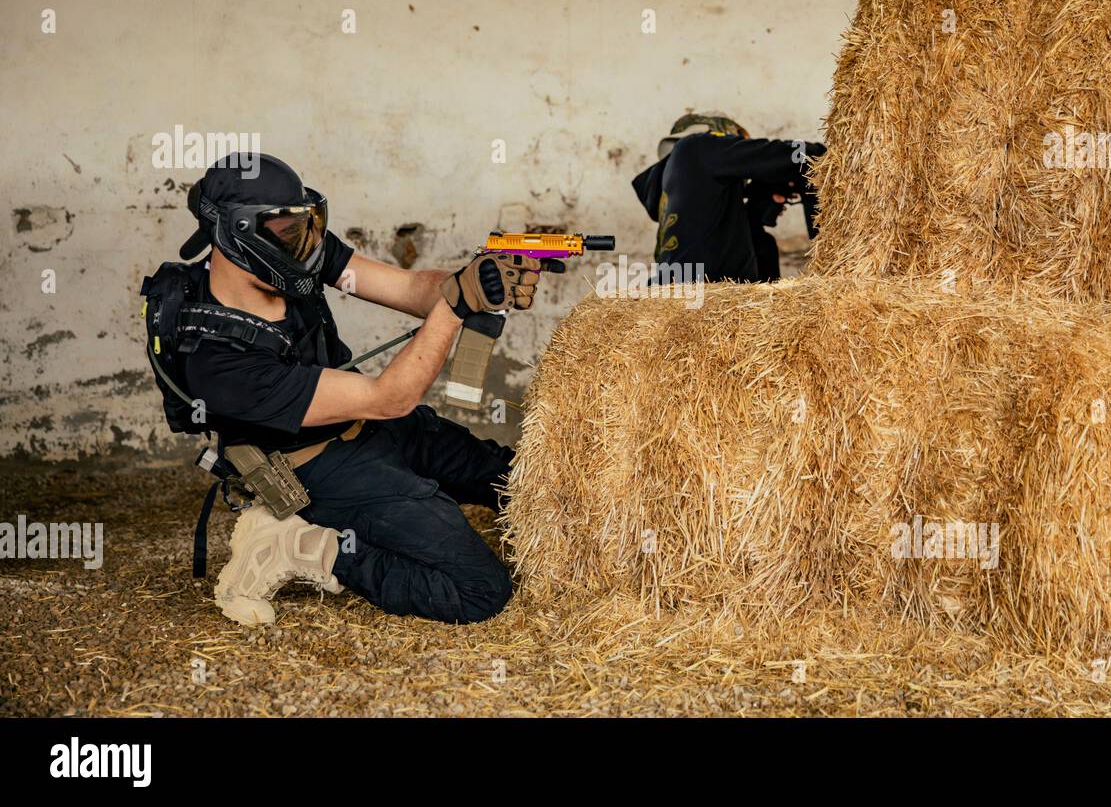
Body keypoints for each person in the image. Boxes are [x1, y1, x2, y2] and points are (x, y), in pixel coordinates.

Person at [145, 153, 557, 626]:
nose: (304, 240)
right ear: (239, 234)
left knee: (517, 482)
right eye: (286, 230)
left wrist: (475, 282)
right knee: (480, 591)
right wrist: (454, 308)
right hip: (319, 469)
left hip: (373, 428)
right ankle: (304, 548)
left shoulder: (292, 250)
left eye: (304, 224)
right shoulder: (217, 360)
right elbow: (391, 396)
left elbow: (409, 289)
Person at [630, 112, 825, 283]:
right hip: (709, 292)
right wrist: (820, 153)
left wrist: (761, 205)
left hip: (685, 292)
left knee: (763, 245)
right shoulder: (698, 146)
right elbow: (770, 155)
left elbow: (720, 234)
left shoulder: (677, 183)